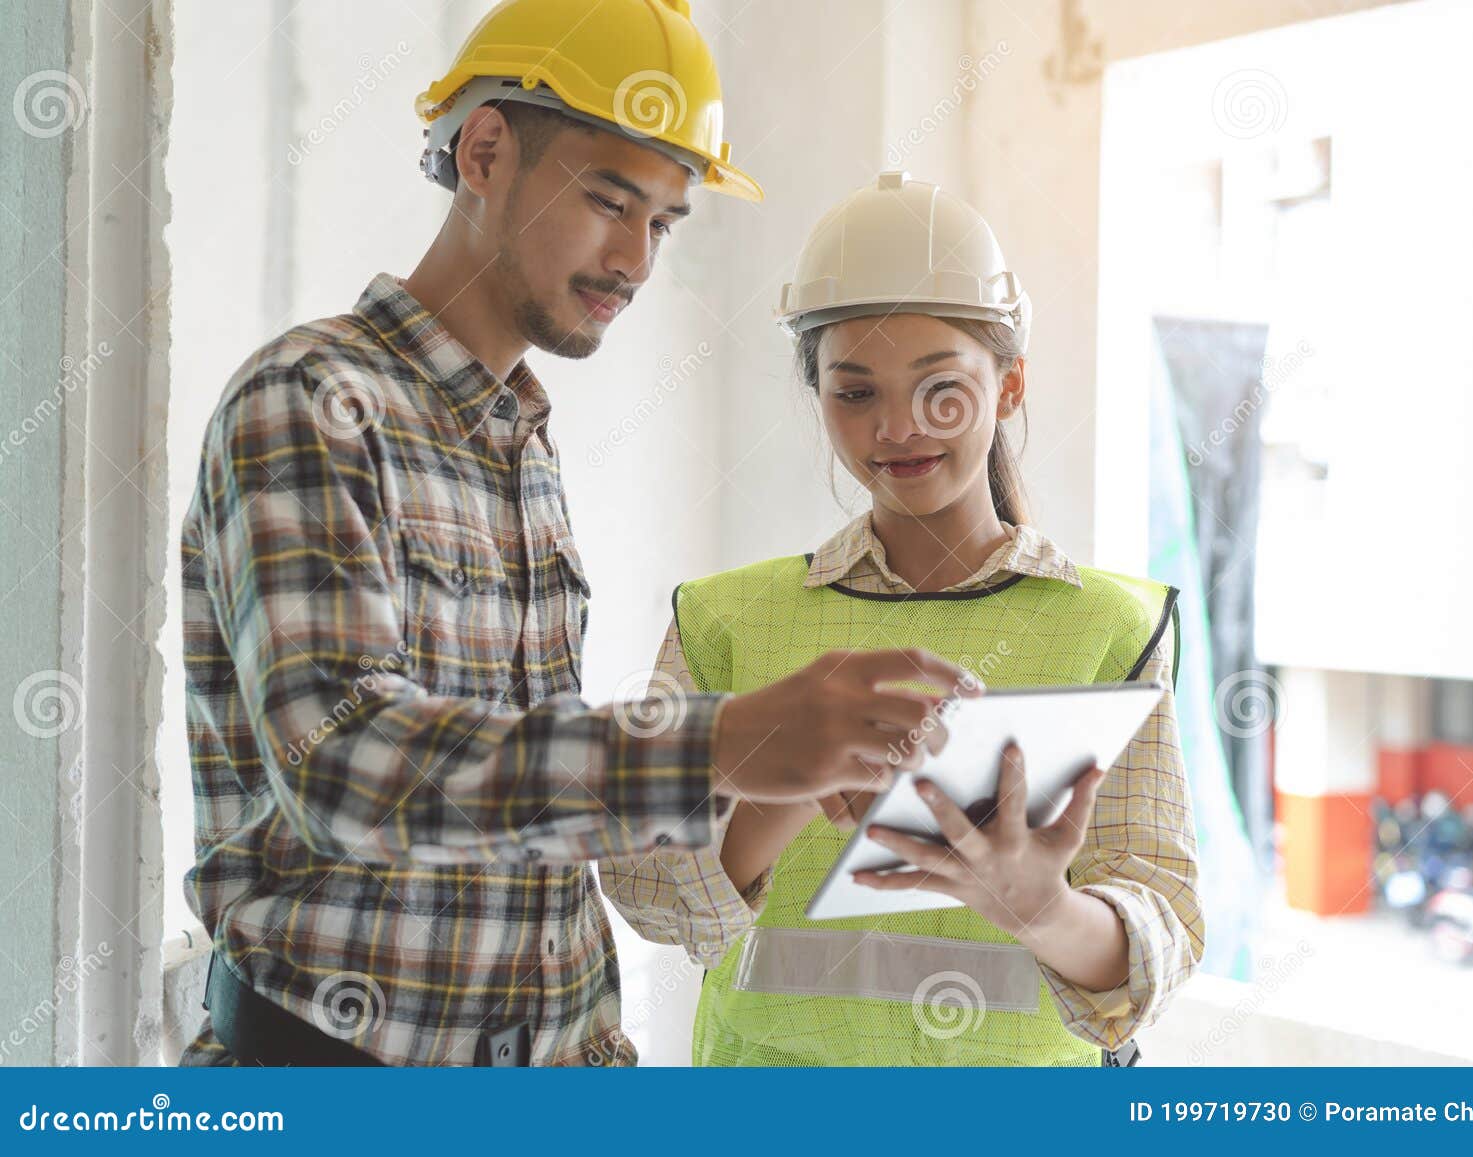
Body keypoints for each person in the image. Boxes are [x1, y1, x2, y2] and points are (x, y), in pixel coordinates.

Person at [178, 2, 969, 1068]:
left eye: (665, 222)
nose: (635, 258)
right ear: (485, 150)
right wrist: (721, 739)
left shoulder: (522, 443)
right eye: (610, 199)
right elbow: (347, 769)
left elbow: (517, 809)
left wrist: (753, 776)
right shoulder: (312, 399)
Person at [600, 172, 1204, 1066]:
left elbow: (1163, 929)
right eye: (855, 393)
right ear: (819, 397)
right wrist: (794, 787)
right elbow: (650, 896)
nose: (899, 428)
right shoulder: (727, 618)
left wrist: (1045, 908)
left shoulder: (1111, 626)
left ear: (1009, 386)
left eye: (941, 387)